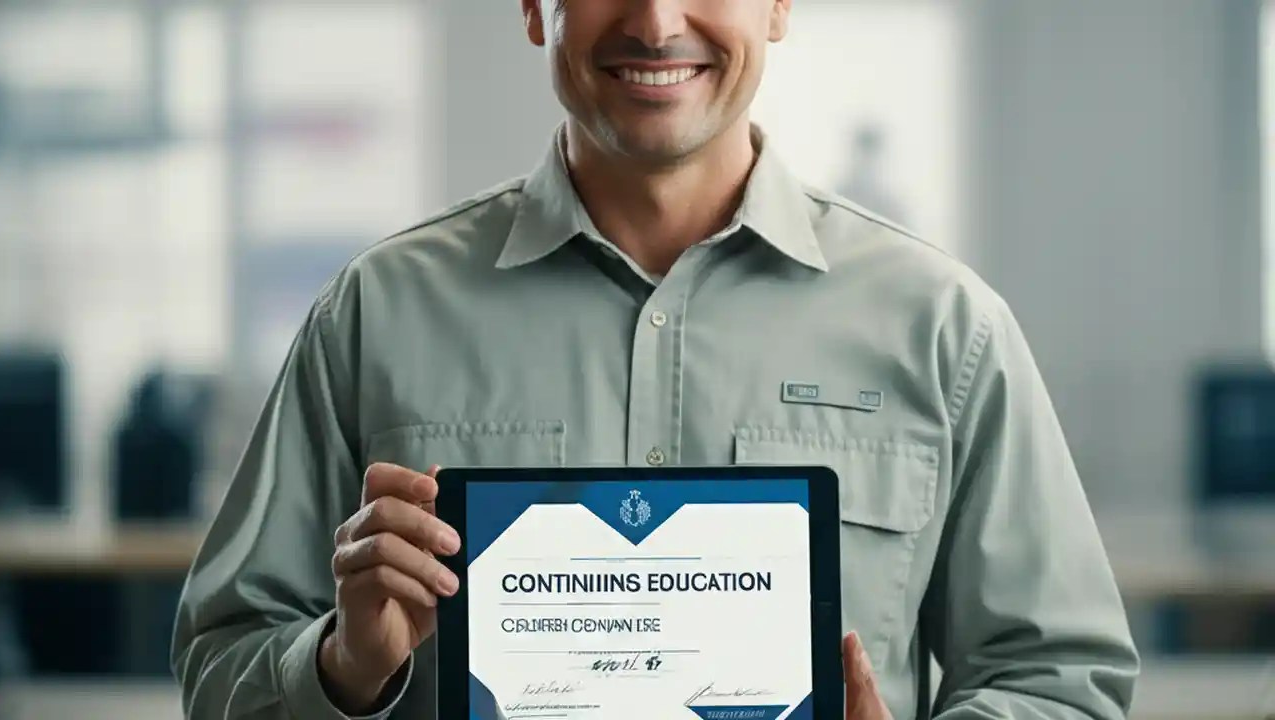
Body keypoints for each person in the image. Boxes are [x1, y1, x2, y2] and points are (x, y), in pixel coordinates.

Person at [171, 1, 1140, 718]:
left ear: (777, 6)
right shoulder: (374, 311)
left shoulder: (943, 326)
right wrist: (343, 665)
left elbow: (1061, 684)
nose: (655, 18)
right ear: (530, 6)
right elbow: (218, 667)